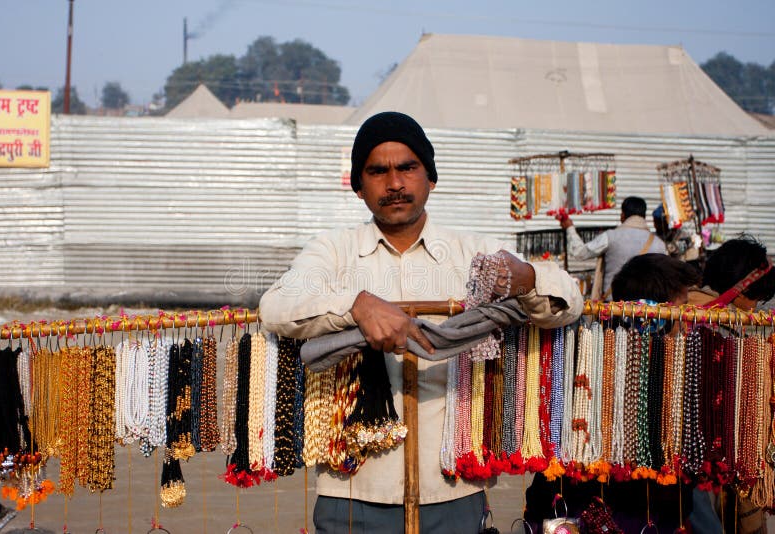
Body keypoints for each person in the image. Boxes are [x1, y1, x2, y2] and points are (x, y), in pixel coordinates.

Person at [259, 111, 583, 533]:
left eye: (407, 168)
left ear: (430, 177)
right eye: (378, 171)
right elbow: (277, 304)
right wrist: (355, 305)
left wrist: (525, 278)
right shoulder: (334, 252)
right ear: (359, 187)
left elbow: (569, 298)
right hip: (354, 489)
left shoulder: (473, 251)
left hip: (452, 487)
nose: (394, 184)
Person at [524, 253, 701, 532]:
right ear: (653, 316)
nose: (689, 320)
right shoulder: (587, 360)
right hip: (604, 514)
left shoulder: (677, 367)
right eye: (683, 309)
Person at [688, 235, 775, 534]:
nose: (755, 308)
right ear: (740, 288)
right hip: (710, 459)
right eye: (756, 297)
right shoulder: (710, 321)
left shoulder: (688, 308)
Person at [559, 196, 666, 299]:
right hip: (650, 311)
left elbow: (580, 252)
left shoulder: (610, 237)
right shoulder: (659, 244)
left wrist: (570, 228)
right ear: (644, 216)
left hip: (614, 308)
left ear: (623, 215)